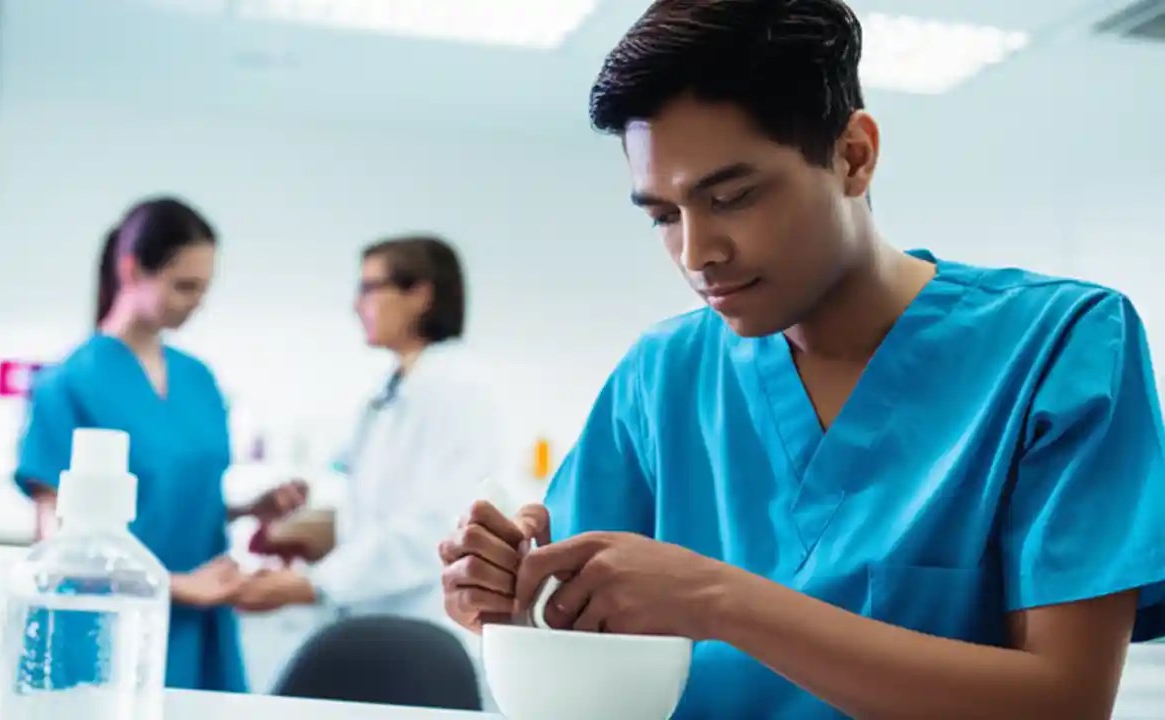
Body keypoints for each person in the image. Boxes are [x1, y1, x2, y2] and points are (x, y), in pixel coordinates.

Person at [438, 1, 1165, 718]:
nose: (697, 255)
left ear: (853, 156)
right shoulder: (661, 375)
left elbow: (1065, 701)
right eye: (663, 215)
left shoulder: (1061, 345)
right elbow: (566, 630)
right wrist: (502, 596)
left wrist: (722, 601)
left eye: (732, 196)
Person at [15, 197, 308, 693]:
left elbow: (175, 498)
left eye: (204, 288)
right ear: (132, 270)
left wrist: (247, 509)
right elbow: (58, 547)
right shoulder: (67, 385)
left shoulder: (199, 380)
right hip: (109, 624)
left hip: (202, 625)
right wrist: (172, 586)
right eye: (184, 285)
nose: (196, 301)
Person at [233, 236, 501, 639]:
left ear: (420, 295)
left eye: (369, 288)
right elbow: (374, 511)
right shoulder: (390, 392)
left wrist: (315, 584)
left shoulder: (455, 389)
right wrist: (293, 529)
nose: (356, 306)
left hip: (422, 621)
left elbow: (435, 528)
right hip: (375, 614)